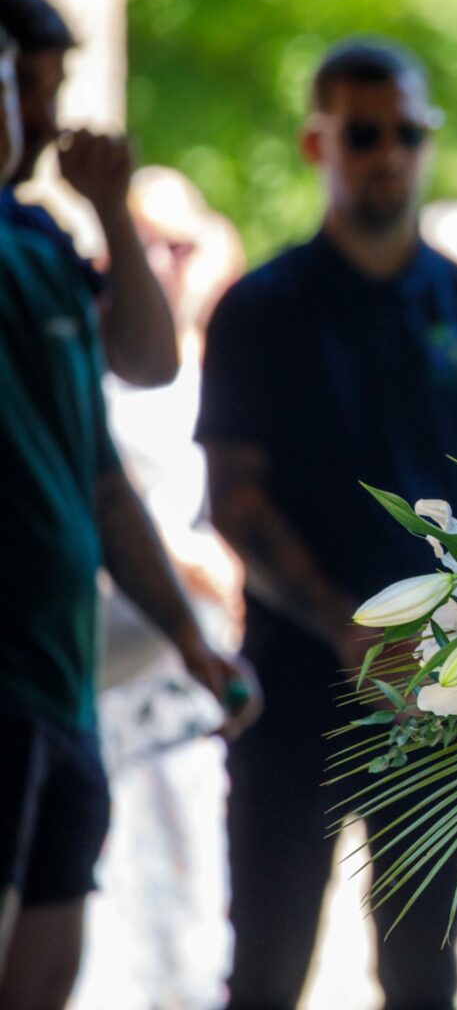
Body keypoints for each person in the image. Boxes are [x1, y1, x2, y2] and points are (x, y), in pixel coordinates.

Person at [197, 38, 457, 1009]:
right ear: (318, 142)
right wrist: (345, 622)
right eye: (363, 132)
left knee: (431, 975)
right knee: (265, 968)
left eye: (408, 132)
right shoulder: (257, 311)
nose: (389, 152)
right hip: (297, 680)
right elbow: (236, 497)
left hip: (445, 693)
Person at [0, 22, 255, 1010]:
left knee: (50, 962)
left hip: (64, 683)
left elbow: (130, 404)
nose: (39, 117)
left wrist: (192, 643)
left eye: (50, 88)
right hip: (8, 678)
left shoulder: (46, 243)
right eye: (18, 85)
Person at [73, 167, 248, 1010]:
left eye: (182, 244)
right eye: (149, 242)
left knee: (183, 882)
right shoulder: (86, 349)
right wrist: (185, 559)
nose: (168, 262)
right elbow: (100, 492)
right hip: (100, 655)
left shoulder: (207, 360)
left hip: (181, 677)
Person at [0, 0, 178, 388]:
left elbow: (149, 365)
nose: (46, 122)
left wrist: (112, 210)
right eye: (22, 86)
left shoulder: (38, 237)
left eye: (54, 93)